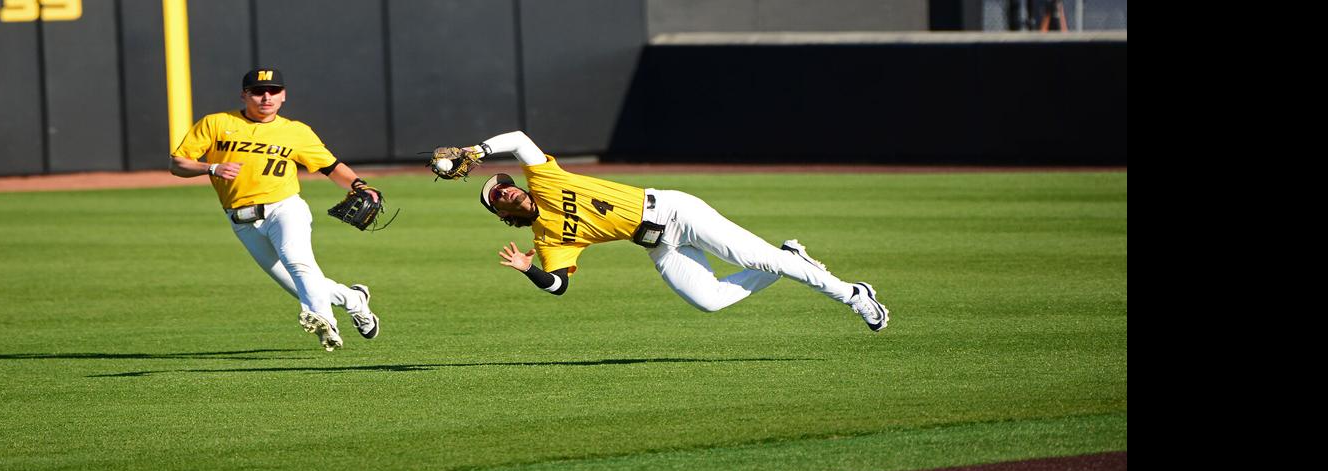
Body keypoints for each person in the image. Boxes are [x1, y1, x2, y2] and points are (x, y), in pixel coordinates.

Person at [437, 130, 889, 332]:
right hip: (656, 244)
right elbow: (557, 286)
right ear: (504, 216)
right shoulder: (548, 241)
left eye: (505, 186)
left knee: (754, 257)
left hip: (675, 211)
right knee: (709, 300)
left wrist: (476, 150)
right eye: (499, 197)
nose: (506, 191)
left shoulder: (546, 178)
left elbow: (516, 139)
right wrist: (526, 270)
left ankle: (853, 295)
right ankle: (792, 259)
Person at [170, 68, 381, 351]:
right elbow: (178, 164)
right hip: (241, 219)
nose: (266, 97)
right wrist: (211, 167)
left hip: (285, 208)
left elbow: (330, 166)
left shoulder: (296, 131)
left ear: (283, 96)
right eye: (258, 91)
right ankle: (354, 300)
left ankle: (324, 320)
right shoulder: (217, 124)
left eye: (273, 91)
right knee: (299, 285)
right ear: (245, 95)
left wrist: (358, 184)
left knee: (298, 262)